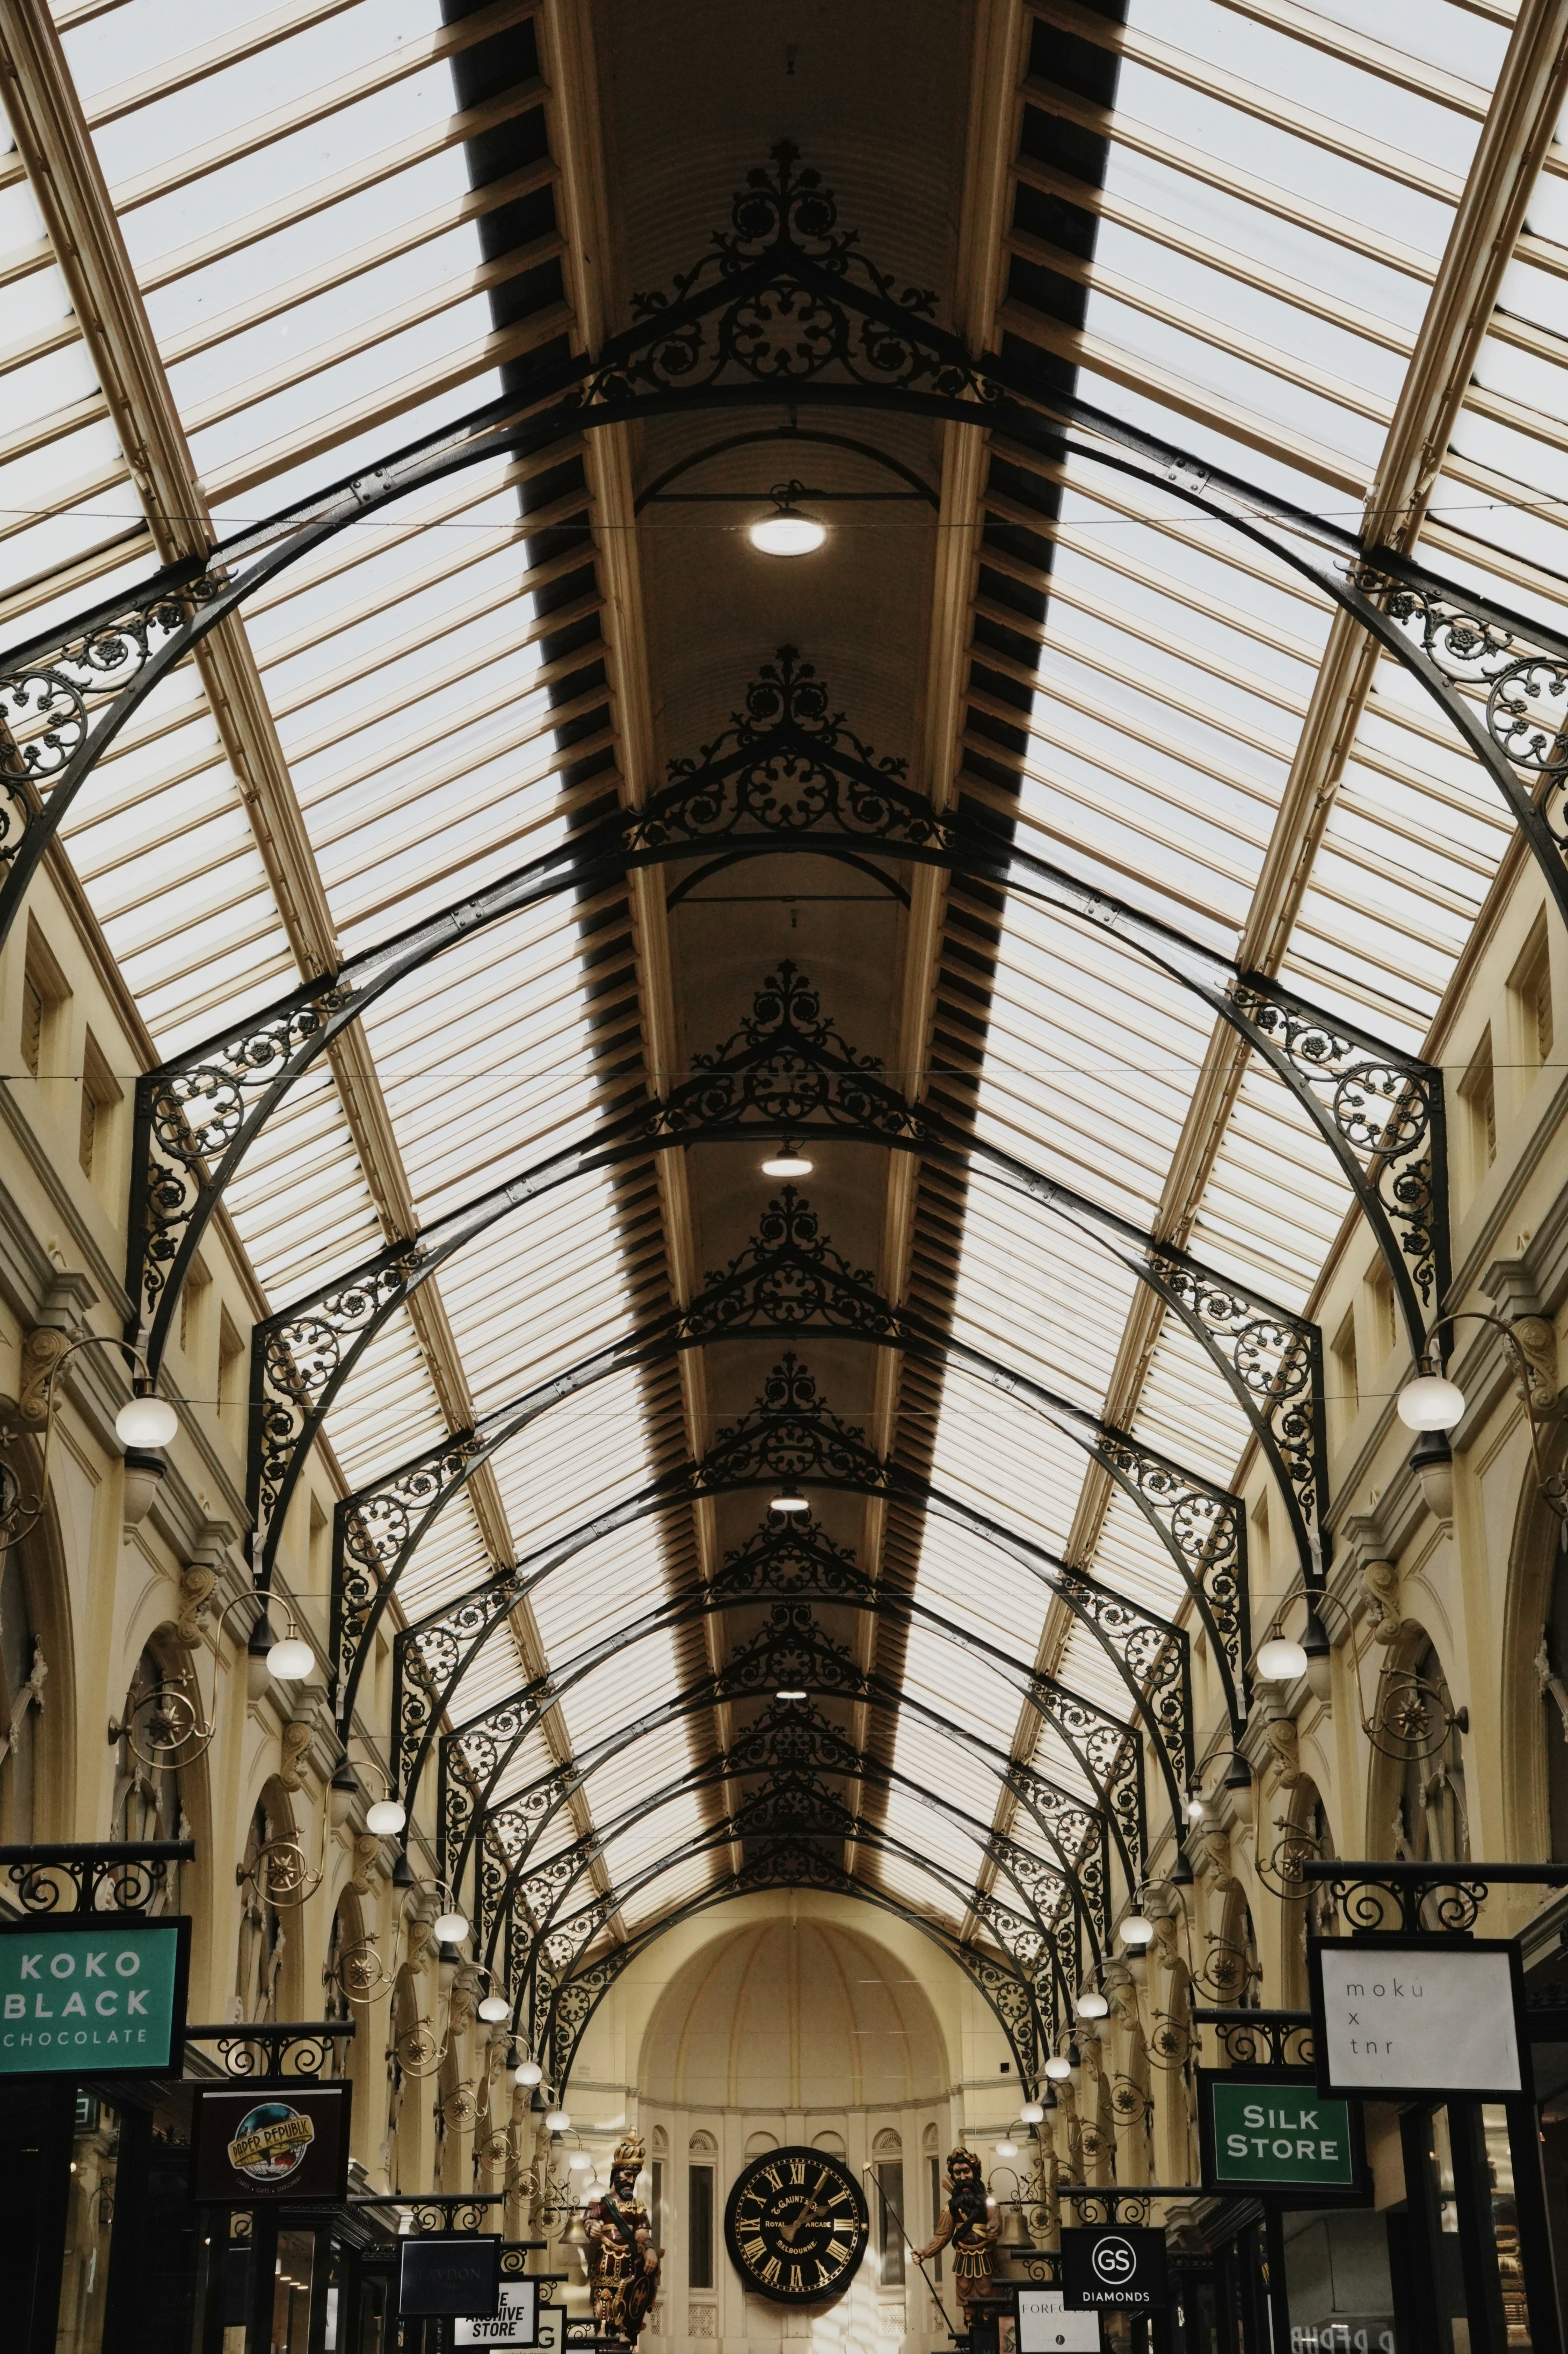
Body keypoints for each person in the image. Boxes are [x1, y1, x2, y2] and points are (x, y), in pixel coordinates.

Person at [585, 2132, 661, 2346]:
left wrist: (650, 2248)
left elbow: (642, 2231)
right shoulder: (600, 2202)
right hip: (606, 2255)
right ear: (616, 2174)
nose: (631, 2181)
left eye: (635, 2177)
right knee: (604, 2292)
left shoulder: (638, 2206)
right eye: (628, 2175)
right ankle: (602, 2328)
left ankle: (621, 2328)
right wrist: (593, 2228)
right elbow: (589, 2221)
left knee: (625, 2293)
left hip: (629, 2257)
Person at [914, 2146, 1001, 2320]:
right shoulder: (951, 2207)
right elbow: (942, 2236)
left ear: (975, 2173)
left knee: (987, 2295)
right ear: (953, 2176)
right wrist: (924, 2252)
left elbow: (995, 2219)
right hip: (963, 2259)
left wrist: (993, 2228)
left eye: (966, 2171)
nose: (962, 2177)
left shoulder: (988, 2202)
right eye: (957, 2173)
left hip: (984, 2256)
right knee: (966, 2300)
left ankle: (988, 2331)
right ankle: (970, 2329)